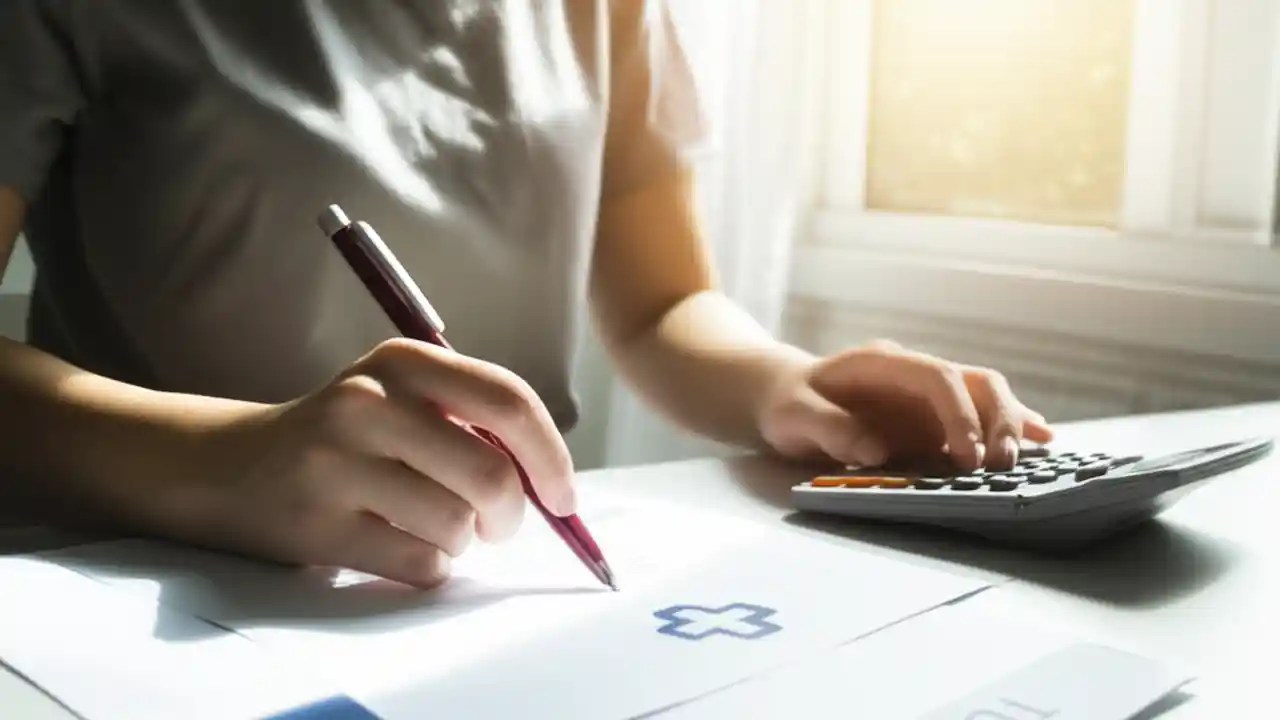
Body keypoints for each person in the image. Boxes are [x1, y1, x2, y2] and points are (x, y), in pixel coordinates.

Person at [0, 1, 1052, 588]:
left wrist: (789, 384)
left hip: (479, 583)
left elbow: (660, 308)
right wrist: (222, 465)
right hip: (125, 601)